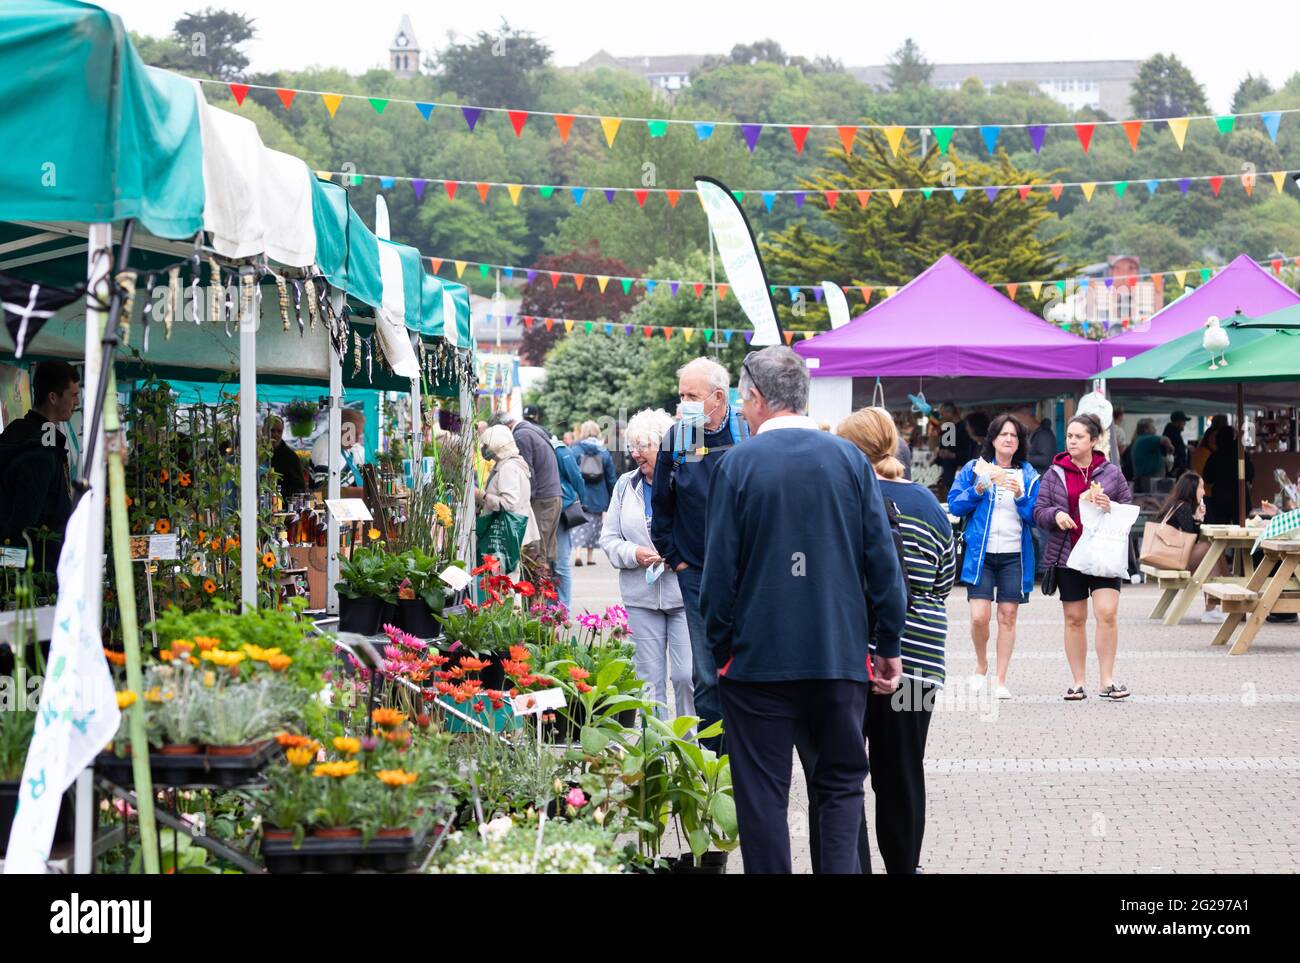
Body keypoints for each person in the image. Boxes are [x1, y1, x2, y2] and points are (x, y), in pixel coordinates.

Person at [700, 347, 906, 875]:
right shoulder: (850, 462)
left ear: (756, 398)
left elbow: (718, 575)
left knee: (763, 800)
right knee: (840, 789)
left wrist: (722, 649)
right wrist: (887, 647)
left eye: (745, 400)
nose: (744, 410)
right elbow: (882, 564)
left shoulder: (736, 465)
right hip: (838, 657)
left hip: (757, 663)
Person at [831, 406, 956, 874]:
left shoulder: (843, 498)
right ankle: (904, 866)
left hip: (852, 656)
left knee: (842, 774)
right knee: (902, 773)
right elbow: (945, 579)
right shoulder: (929, 503)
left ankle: (853, 865)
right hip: (918, 661)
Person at [651, 356, 750, 751]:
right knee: (706, 673)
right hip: (697, 572)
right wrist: (676, 558)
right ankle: (713, 761)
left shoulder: (746, 433)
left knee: (746, 666)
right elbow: (662, 504)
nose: (683, 403)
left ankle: (746, 753)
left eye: (691, 395)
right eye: (681, 395)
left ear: (718, 397)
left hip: (746, 571)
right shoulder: (682, 437)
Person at [600, 408, 693, 719]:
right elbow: (609, 539)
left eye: (644, 446)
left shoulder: (686, 482)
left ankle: (689, 750)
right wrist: (634, 553)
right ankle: (658, 753)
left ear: (665, 447)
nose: (636, 453)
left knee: (685, 677)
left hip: (682, 595)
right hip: (640, 596)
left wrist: (679, 555)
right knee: (649, 682)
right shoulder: (625, 486)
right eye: (633, 446)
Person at [1034, 413, 1134, 701]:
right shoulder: (1055, 474)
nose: (1072, 441)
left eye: (1079, 436)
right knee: (1075, 618)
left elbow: (1127, 508)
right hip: (1070, 555)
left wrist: (1109, 505)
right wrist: (1057, 514)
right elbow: (1039, 512)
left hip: (1104, 553)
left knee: (1107, 613)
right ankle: (1078, 681)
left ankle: (1107, 680)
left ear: (1094, 440)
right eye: (1069, 436)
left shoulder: (1111, 472)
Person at [947, 413, 1041, 699]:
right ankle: (981, 664)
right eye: (1004, 435)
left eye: (1014, 436)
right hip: (981, 554)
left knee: (1008, 616)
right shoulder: (975, 469)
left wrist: (1021, 496)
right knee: (979, 617)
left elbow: (1036, 517)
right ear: (993, 439)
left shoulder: (1028, 474)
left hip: (1014, 555)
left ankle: (1000, 679)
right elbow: (955, 505)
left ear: (1019, 442)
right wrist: (978, 488)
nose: (1009, 439)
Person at [0, 360, 80, 571]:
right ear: (53, 397)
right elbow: (24, 523)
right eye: (72, 395)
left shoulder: (28, 436)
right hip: (37, 572)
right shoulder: (38, 451)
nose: (77, 402)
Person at [1155, 472, 1227, 623]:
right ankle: (1214, 607)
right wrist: (1197, 519)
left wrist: (1196, 519)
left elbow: (1188, 537)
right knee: (1210, 549)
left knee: (1214, 552)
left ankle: (1215, 606)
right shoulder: (1183, 506)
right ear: (1191, 489)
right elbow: (1190, 539)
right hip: (1171, 560)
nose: (1204, 491)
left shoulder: (1177, 504)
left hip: (1169, 556)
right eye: (1201, 487)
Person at [496, 409, 561, 577]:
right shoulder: (531, 429)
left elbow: (528, 473)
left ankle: (539, 602)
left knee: (537, 554)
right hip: (551, 496)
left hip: (542, 499)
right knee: (543, 554)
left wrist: (522, 503)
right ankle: (545, 601)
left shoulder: (521, 435)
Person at [475, 424, 539, 577]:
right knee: (508, 577)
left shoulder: (508, 468)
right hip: (512, 529)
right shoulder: (511, 464)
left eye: (486, 445)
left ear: (497, 445)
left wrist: (482, 496)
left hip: (506, 531)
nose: (484, 449)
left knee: (506, 579)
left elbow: (509, 503)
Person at [570, 420, 616, 567]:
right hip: (599, 494)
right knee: (595, 525)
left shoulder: (575, 450)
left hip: (581, 493)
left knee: (579, 524)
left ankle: (577, 553)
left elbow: (570, 473)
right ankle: (590, 557)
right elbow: (610, 476)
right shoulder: (603, 451)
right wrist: (613, 495)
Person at [549, 430, 586, 609]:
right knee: (552, 563)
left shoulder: (560, 450)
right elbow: (577, 478)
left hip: (560, 509)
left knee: (560, 562)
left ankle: (562, 608)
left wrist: (581, 501)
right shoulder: (559, 450)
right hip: (549, 509)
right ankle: (553, 606)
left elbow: (577, 478)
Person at [1203, 425, 1253, 525]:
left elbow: (1207, 477)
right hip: (1239, 497)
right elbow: (1250, 474)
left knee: (1221, 532)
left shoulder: (1215, 456)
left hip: (1220, 499)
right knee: (1240, 531)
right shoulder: (1241, 455)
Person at [311, 407, 365, 490]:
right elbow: (322, 489)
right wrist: (360, 493)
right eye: (355, 434)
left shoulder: (344, 448)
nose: (357, 440)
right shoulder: (326, 447)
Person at [264, 415, 308, 504]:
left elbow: (299, 488)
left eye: (279, 431)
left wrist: (277, 494)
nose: (275, 434)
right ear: (263, 431)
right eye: (272, 430)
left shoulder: (291, 457)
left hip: (282, 508)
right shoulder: (256, 454)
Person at [1128, 418, 1170, 493]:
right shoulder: (1147, 439)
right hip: (1150, 478)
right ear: (1146, 429)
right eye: (1152, 427)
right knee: (1153, 499)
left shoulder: (1139, 440)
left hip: (1145, 478)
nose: (1155, 429)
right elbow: (1165, 439)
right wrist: (1171, 448)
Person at [934, 401, 965, 493]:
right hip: (946, 473)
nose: (940, 417)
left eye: (942, 414)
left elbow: (968, 452)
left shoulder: (963, 428)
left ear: (950, 413)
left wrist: (953, 455)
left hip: (958, 475)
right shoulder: (947, 427)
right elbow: (943, 448)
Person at [1163, 411, 1190, 477]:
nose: (1184, 423)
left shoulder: (1171, 432)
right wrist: (1181, 468)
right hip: (1175, 471)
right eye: (1183, 421)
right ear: (1177, 422)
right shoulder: (1173, 434)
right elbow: (1176, 452)